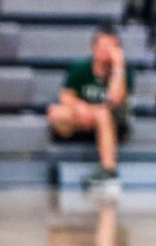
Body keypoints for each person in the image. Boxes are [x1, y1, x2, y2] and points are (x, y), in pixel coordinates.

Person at [47, 26, 129, 193]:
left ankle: (109, 171)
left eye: (111, 47)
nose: (106, 51)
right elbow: (66, 96)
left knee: (103, 114)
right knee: (56, 112)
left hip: (112, 124)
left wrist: (118, 67)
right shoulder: (81, 67)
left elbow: (115, 99)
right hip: (84, 119)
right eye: (103, 46)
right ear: (94, 47)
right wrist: (82, 109)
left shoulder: (122, 72)